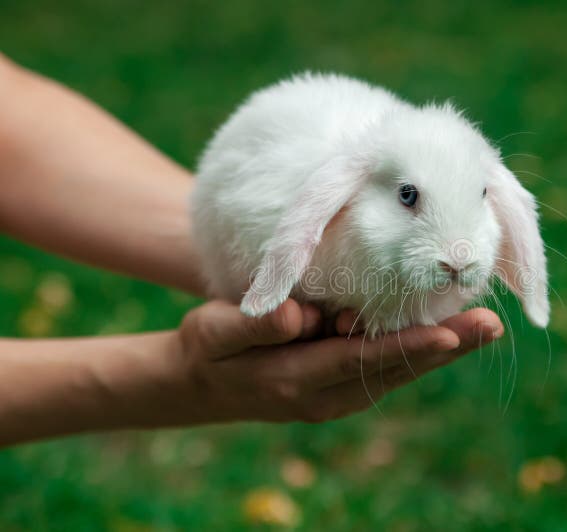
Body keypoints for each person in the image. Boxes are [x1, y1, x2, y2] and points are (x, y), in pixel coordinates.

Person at [0, 54, 503, 447]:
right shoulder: (345, 179)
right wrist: (180, 376)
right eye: (408, 198)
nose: (456, 254)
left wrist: (226, 255)